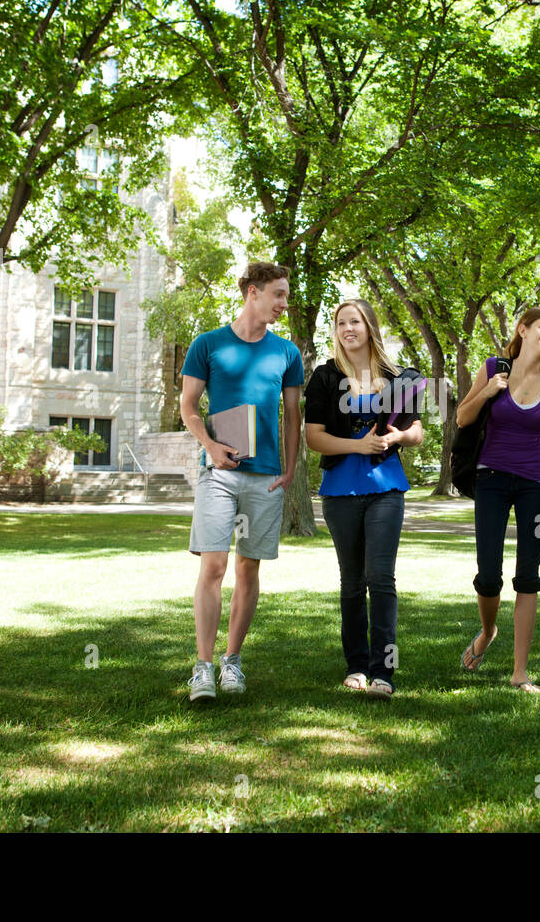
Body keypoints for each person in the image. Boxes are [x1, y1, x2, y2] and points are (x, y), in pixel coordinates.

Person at [180, 261, 304, 702]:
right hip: (219, 473)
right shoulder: (208, 344)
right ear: (253, 292)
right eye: (278, 295)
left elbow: (293, 416)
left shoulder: (287, 353)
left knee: (248, 567)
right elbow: (189, 406)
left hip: (266, 478)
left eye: (286, 296)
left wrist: (289, 470)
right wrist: (211, 447)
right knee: (213, 567)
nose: (284, 304)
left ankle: (232, 662)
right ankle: (203, 667)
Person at [304, 300, 425, 699]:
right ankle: (356, 665)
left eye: (354, 321)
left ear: (369, 326)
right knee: (352, 583)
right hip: (339, 490)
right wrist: (357, 445)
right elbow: (313, 436)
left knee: (381, 578)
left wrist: (396, 437)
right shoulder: (325, 376)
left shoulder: (398, 377)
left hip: (386, 488)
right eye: (340, 323)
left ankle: (383, 672)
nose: (347, 328)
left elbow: (417, 433)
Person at [456, 308, 540, 693]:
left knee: (528, 575)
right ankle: (488, 631)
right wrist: (490, 390)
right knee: (488, 574)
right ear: (522, 329)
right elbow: (461, 417)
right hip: (490, 477)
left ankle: (519, 671)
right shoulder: (494, 366)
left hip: (533, 484)